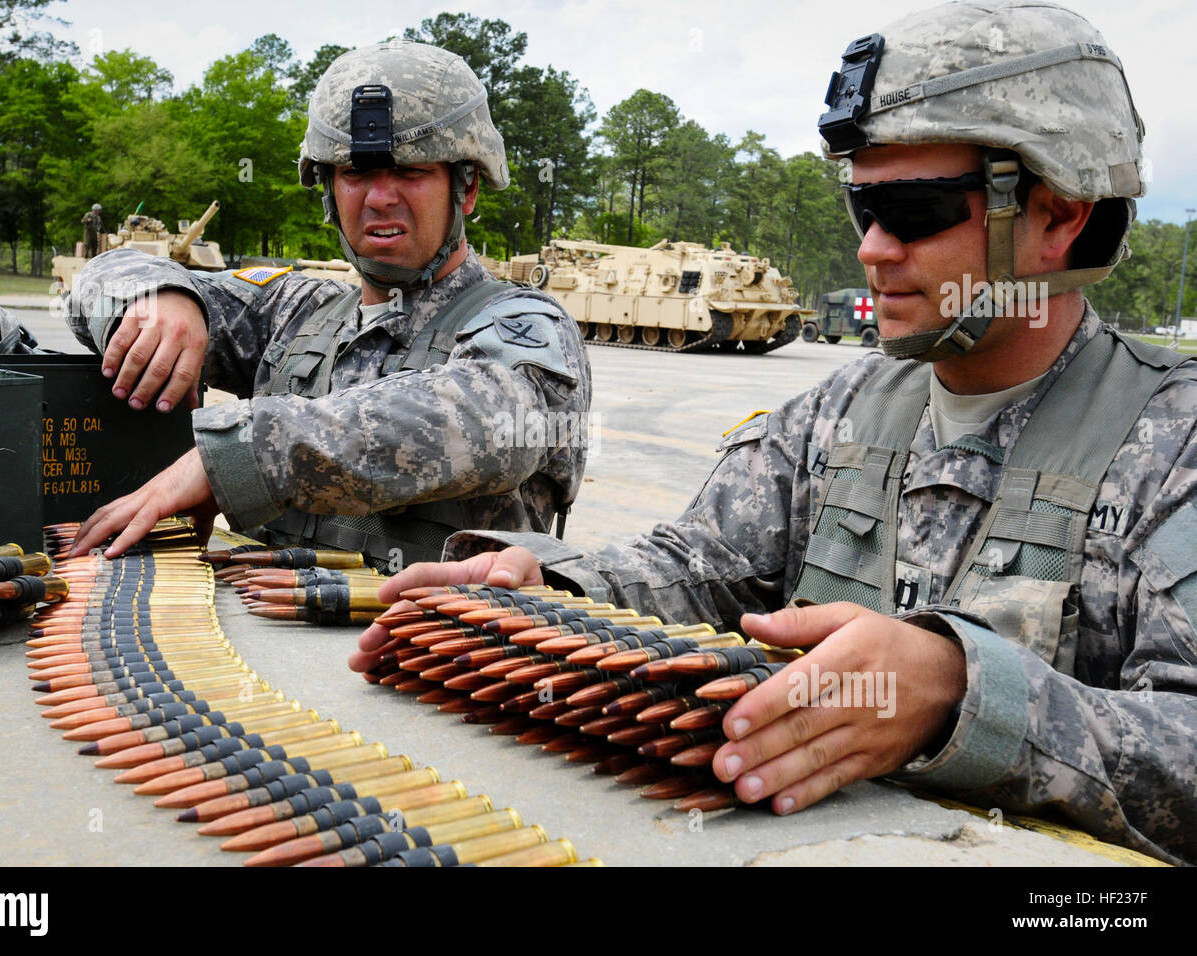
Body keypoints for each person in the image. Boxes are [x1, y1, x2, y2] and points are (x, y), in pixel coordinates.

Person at [354, 2, 1196, 866]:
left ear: (1059, 214)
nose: (872, 248)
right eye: (861, 205)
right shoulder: (837, 414)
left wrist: (961, 692)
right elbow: (699, 568)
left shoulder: (1175, 445)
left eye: (917, 211)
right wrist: (548, 581)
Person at [63, 40, 590, 565]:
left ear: (466, 188)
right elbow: (98, 278)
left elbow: (489, 421)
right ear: (329, 191)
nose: (380, 197)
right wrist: (165, 299)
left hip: (433, 644)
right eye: (356, 174)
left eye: (411, 172)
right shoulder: (294, 311)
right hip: (261, 636)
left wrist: (241, 455)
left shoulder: (525, 324)